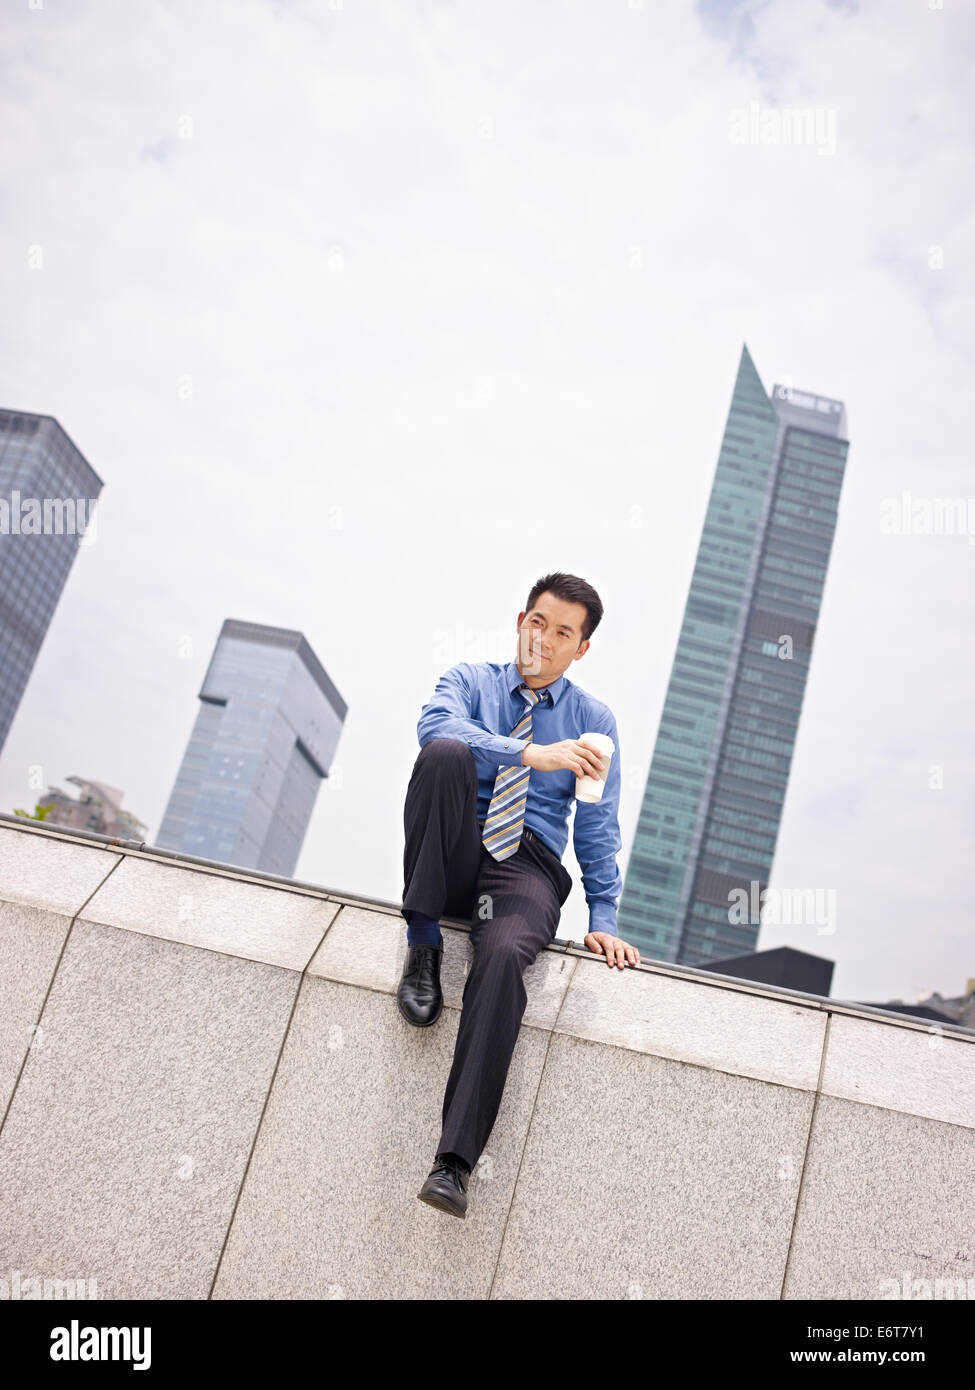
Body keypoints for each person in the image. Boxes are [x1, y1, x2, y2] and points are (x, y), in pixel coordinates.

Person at [399, 571, 640, 1218]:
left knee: (505, 957)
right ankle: (421, 946)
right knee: (445, 756)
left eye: (563, 632)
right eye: (538, 622)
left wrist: (605, 915)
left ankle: (453, 1164)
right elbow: (432, 726)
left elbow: (596, 822)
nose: (544, 638)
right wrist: (527, 754)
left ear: (580, 648)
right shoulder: (470, 680)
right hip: (454, 848)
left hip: (523, 867)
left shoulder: (593, 721)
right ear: (519, 621)